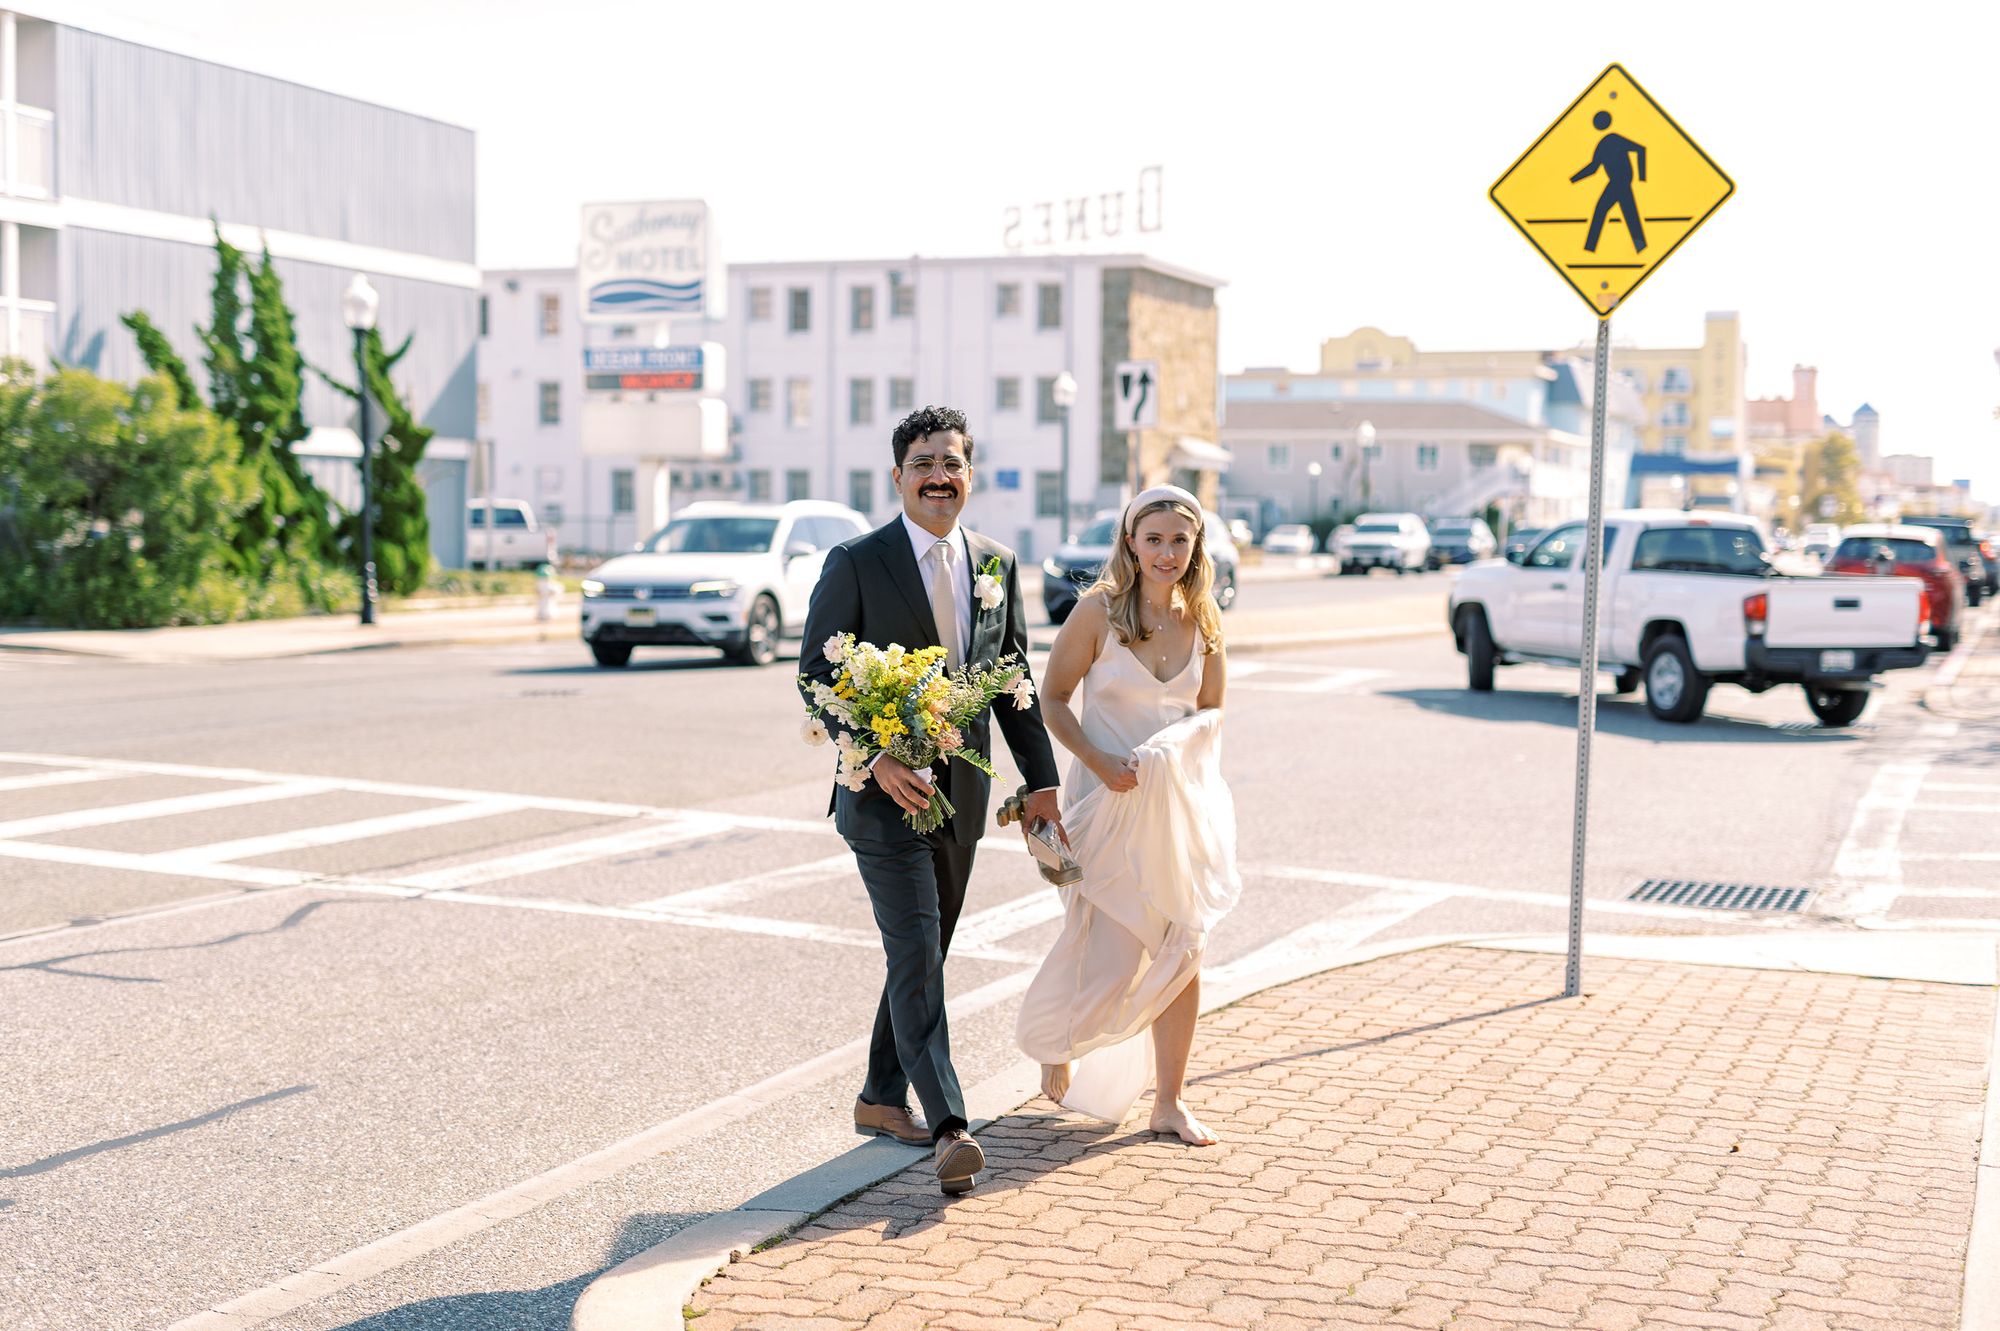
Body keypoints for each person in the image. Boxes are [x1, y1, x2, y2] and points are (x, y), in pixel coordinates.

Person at [797, 405, 1064, 1196]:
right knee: (917, 949)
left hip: (963, 798)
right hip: (881, 796)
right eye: (923, 463)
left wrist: (1042, 782)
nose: (938, 475)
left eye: (951, 462)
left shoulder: (996, 564)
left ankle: (881, 1097)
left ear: (969, 475)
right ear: (898, 477)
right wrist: (876, 754)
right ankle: (950, 1125)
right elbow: (816, 675)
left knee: (924, 952)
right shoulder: (856, 561)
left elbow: (1013, 681)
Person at [1015, 485, 1242, 1145]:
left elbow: (1212, 712)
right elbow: (1054, 698)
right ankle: (1056, 1037)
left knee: (1183, 948)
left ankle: (1169, 1101)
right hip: (1105, 800)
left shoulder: (1206, 618)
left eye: (1180, 540)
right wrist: (1097, 758)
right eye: (1154, 539)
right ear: (1131, 543)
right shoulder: (1098, 612)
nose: (1167, 553)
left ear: (1196, 545)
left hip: (1176, 807)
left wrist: (1173, 753)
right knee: (1110, 958)